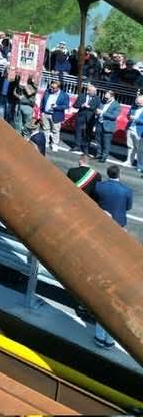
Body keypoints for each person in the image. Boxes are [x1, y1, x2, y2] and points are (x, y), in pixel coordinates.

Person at [92, 165, 133, 349]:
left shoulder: (100, 187)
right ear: (119, 174)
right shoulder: (126, 190)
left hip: (103, 226)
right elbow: (128, 207)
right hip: (119, 225)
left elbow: (94, 201)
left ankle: (100, 337)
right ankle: (109, 341)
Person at [39, 80, 70, 152]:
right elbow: (42, 101)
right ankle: (45, 142)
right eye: (51, 87)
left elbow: (66, 106)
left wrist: (57, 107)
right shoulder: (47, 91)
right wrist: (42, 111)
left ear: (58, 88)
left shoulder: (64, 95)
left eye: (53, 88)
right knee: (46, 129)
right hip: (46, 113)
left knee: (55, 130)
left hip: (56, 114)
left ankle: (54, 144)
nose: (51, 89)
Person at [73, 85, 101, 155]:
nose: (94, 92)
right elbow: (75, 105)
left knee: (88, 133)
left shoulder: (97, 99)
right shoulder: (82, 96)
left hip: (90, 118)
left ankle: (86, 148)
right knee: (78, 131)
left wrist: (90, 107)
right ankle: (77, 146)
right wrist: (82, 105)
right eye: (93, 91)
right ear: (88, 91)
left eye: (95, 91)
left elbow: (98, 109)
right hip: (81, 116)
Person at [95, 90, 121, 163]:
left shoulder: (116, 105)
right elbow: (98, 111)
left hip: (108, 126)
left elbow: (114, 116)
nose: (105, 99)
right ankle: (99, 154)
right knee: (98, 140)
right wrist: (96, 112)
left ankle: (104, 156)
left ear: (112, 97)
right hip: (99, 123)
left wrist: (102, 112)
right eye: (105, 97)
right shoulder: (102, 102)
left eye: (107, 98)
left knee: (106, 142)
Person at [125, 95, 143, 172]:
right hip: (130, 129)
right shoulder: (134, 107)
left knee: (140, 149)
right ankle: (129, 161)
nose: (137, 103)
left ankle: (140, 165)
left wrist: (136, 119)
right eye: (137, 101)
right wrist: (129, 117)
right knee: (130, 147)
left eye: (139, 102)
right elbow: (128, 115)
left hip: (139, 131)